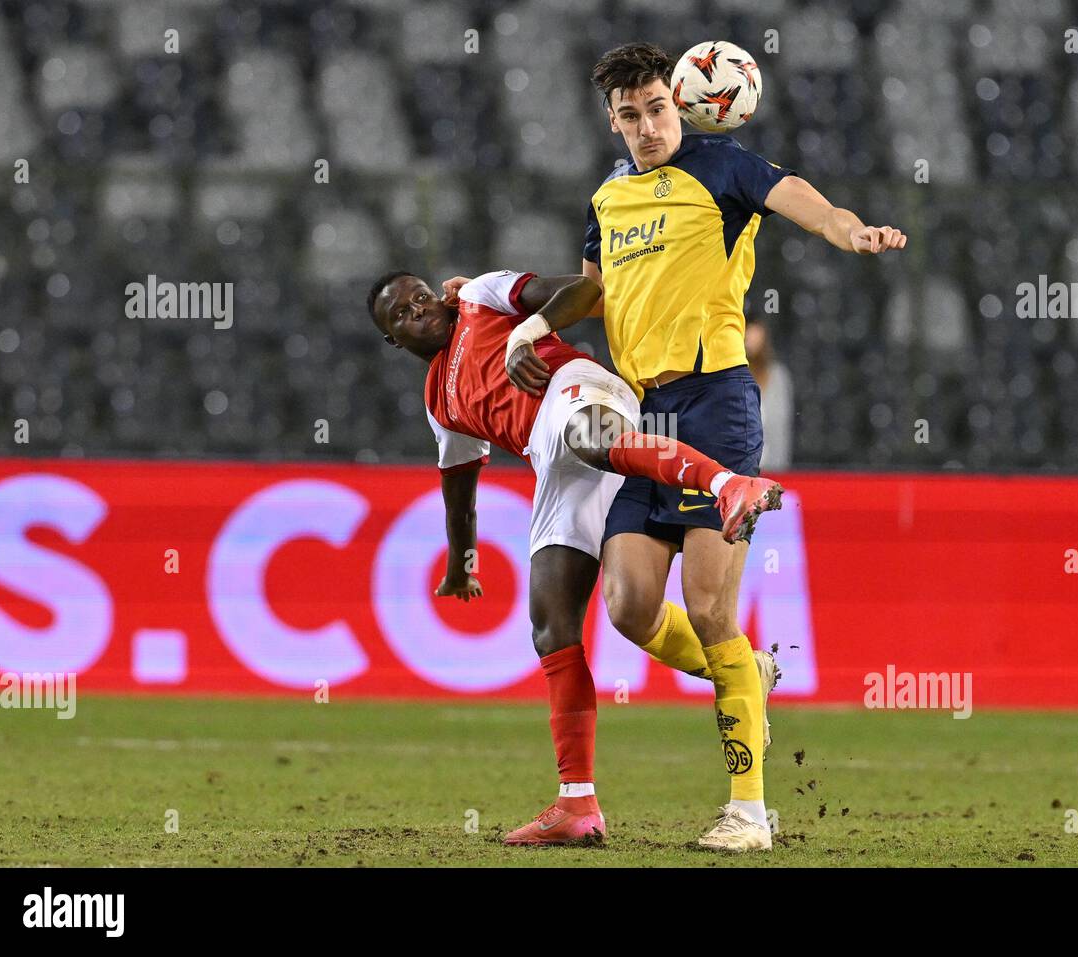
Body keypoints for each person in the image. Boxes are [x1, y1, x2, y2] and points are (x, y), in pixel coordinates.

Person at [449, 42, 907, 851]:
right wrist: (536, 320)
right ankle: (746, 675)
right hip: (641, 415)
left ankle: (749, 813)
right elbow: (592, 288)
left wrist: (848, 229)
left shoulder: (722, 165)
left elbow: (795, 196)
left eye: (657, 108)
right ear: (613, 120)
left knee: (707, 607)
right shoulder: (607, 200)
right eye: (630, 115)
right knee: (626, 604)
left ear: (680, 102)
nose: (647, 125)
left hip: (718, 402)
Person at [367, 267, 783, 847]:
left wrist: (525, 331)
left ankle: (726, 485)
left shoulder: (482, 298)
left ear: (438, 293)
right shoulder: (440, 403)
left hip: (579, 390)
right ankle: (577, 805)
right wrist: (462, 562)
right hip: (553, 462)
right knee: (551, 623)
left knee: (586, 435)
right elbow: (458, 493)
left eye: (419, 297)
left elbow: (586, 290)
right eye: (400, 315)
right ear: (393, 339)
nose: (417, 310)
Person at [745, 320, 793, 471]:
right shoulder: (730, 376)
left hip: (771, 464)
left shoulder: (777, 375)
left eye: (755, 333)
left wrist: (780, 467)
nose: (750, 339)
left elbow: (781, 425)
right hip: (739, 466)